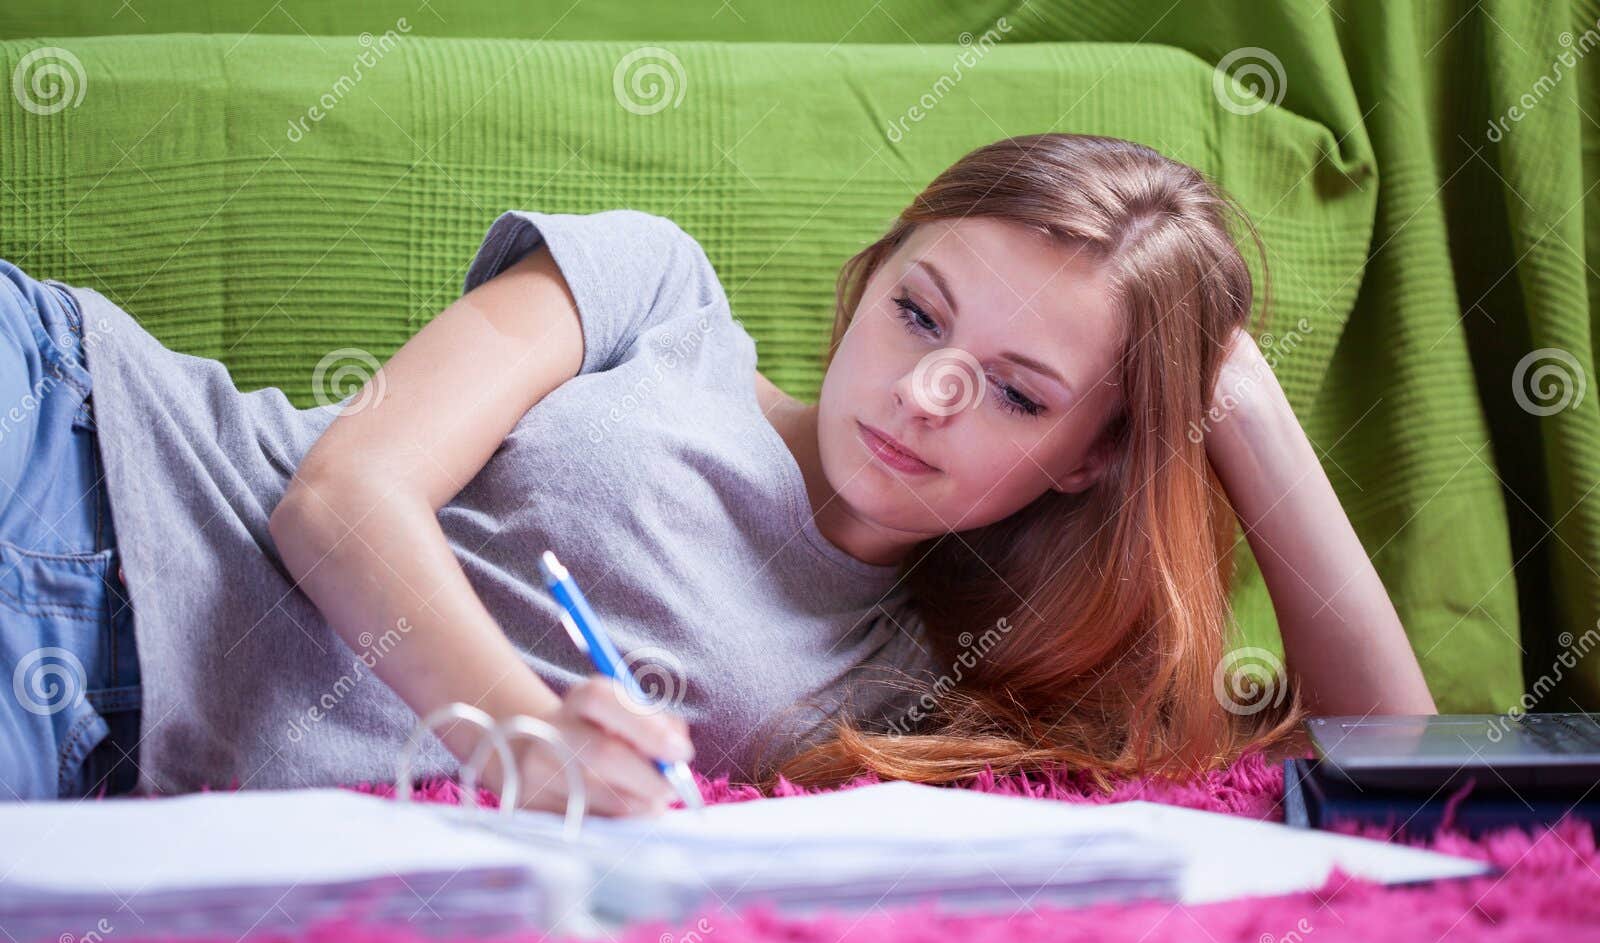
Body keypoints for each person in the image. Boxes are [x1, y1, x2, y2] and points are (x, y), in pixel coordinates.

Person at [0, 132, 1434, 813]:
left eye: (1016, 392)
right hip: (70, 443)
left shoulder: (924, 689)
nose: (926, 393)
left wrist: (1233, 400)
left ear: (1092, 457)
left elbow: (1390, 755)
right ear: (866, 275)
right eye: (919, 310)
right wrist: (522, 736)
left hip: (90, 747)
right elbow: (342, 494)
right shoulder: (660, 295)